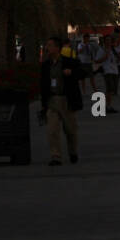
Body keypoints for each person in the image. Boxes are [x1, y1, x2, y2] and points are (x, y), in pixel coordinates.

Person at [39, 36, 82, 165]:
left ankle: (73, 152)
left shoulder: (69, 62)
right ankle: (55, 156)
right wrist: (43, 104)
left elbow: (83, 72)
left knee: (70, 130)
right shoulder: (45, 65)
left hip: (66, 100)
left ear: (58, 48)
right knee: (52, 130)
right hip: (52, 100)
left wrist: (72, 72)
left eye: (50, 45)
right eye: (47, 45)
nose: (48, 48)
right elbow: (42, 84)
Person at [95, 33, 120, 113]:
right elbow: (97, 60)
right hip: (107, 71)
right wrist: (105, 57)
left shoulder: (113, 49)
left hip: (114, 71)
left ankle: (109, 105)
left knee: (112, 90)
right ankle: (107, 106)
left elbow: (118, 59)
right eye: (107, 40)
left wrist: (118, 58)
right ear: (104, 41)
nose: (109, 42)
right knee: (109, 89)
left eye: (110, 40)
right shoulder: (101, 50)